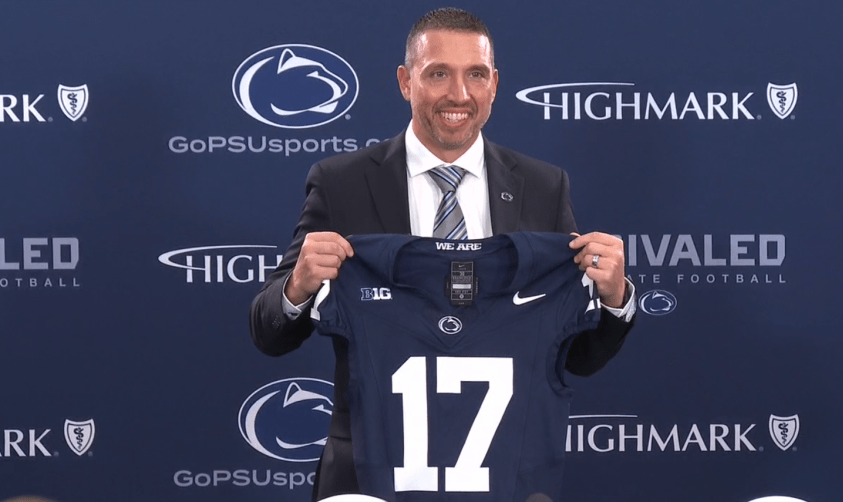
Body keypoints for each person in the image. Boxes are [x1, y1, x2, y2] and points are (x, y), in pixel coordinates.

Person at [249, 7, 636, 501]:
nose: (459, 94)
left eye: (475, 74)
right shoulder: (342, 182)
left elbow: (574, 357)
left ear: (494, 84)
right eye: (438, 74)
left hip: (504, 476)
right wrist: (297, 288)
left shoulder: (543, 187)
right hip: (370, 476)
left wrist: (614, 299)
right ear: (405, 81)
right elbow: (267, 331)